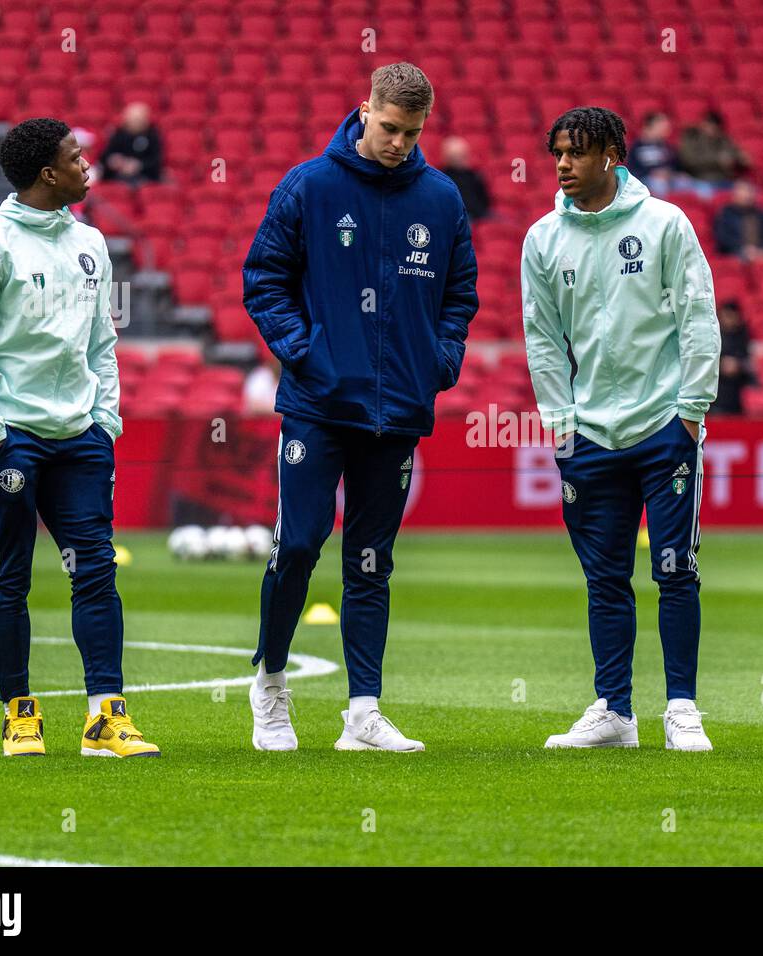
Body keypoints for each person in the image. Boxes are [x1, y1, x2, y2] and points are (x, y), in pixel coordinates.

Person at [242, 62, 477, 753]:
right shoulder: (310, 186)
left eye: (412, 131)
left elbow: (459, 298)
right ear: (364, 110)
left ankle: (363, 712)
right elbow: (263, 279)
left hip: (398, 408)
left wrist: (440, 363)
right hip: (319, 404)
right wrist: (306, 351)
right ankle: (272, 684)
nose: (399, 142)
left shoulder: (440, 199)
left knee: (372, 559)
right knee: (300, 542)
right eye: (389, 127)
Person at [0, 118, 158, 758]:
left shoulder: (91, 242)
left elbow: (102, 342)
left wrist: (107, 421)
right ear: (48, 173)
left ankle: (106, 719)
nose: (88, 165)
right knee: (10, 576)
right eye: (76, 157)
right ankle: (19, 714)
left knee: (95, 571)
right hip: (11, 437)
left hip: (81, 436)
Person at [522, 106, 720, 751]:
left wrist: (693, 408)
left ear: (611, 154)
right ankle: (614, 711)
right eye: (556, 152)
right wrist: (559, 422)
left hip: (664, 425)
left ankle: (683, 707)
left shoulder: (666, 224)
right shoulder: (543, 239)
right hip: (588, 435)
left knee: (674, 569)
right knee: (604, 578)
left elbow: (697, 314)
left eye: (575, 152)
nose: (561, 165)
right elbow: (543, 338)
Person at [677, 110, 749, 198]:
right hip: (700, 178)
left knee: (746, 192)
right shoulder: (692, 138)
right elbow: (689, 160)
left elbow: (734, 154)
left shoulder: (723, 139)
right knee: (705, 195)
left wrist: (740, 160)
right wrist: (717, 161)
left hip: (724, 179)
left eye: (715, 127)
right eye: (709, 125)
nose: (711, 129)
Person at [99, 102, 163, 184]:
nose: (134, 123)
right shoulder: (119, 134)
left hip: (145, 178)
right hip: (118, 177)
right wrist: (113, 161)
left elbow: (156, 161)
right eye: (132, 120)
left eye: (138, 120)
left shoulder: (152, 136)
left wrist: (139, 165)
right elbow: (104, 157)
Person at [714, 299, 755, 414]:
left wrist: (738, 366)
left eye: (731, 316)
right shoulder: (714, 335)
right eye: (726, 315)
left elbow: (750, 365)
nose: (728, 319)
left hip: (736, 393)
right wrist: (720, 365)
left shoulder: (743, 336)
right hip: (716, 392)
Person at [625, 111, 678, 196]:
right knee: (659, 184)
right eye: (661, 126)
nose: (666, 129)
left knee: (685, 182)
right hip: (646, 179)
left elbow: (674, 165)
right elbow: (633, 170)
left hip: (667, 178)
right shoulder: (636, 147)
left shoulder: (665, 146)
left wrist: (669, 172)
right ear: (649, 127)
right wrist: (652, 173)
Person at [439, 135, 491, 220]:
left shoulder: (474, 175)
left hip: (478, 214)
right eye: (457, 156)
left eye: (464, 155)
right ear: (448, 158)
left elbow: (485, 201)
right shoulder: (440, 178)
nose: (462, 159)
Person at [713, 179, 763, 260]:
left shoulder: (760, 214)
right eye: (742, 191)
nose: (746, 196)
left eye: (749, 191)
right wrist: (743, 250)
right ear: (734, 194)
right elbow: (723, 240)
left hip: (759, 254)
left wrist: (761, 250)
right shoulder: (726, 214)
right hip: (735, 255)